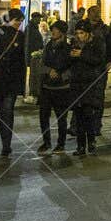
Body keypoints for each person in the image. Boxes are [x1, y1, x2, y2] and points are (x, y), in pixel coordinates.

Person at [0, 10, 27, 157]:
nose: (19, 24)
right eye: (17, 21)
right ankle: (5, 142)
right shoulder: (0, 33)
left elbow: (22, 60)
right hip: (1, 78)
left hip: (8, 80)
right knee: (3, 112)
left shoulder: (19, 35)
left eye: (21, 22)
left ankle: (6, 144)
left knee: (6, 111)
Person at [67, 22, 106, 156]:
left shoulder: (96, 43)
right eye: (77, 33)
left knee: (88, 114)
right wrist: (71, 56)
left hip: (90, 84)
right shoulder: (74, 44)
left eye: (82, 33)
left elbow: (98, 60)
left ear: (88, 33)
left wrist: (81, 55)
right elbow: (70, 61)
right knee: (78, 116)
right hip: (77, 84)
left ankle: (91, 141)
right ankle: (80, 146)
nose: (79, 36)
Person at [36, 20, 73, 153]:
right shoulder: (48, 46)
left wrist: (61, 75)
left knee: (61, 117)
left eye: (56, 30)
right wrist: (48, 71)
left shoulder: (68, 48)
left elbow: (71, 66)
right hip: (47, 86)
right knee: (43, 116)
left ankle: (61, 143)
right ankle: (46, 142)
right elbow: (41, 63)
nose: (53, 32)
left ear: (62, 32)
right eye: (53, 29)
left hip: (62, 88)